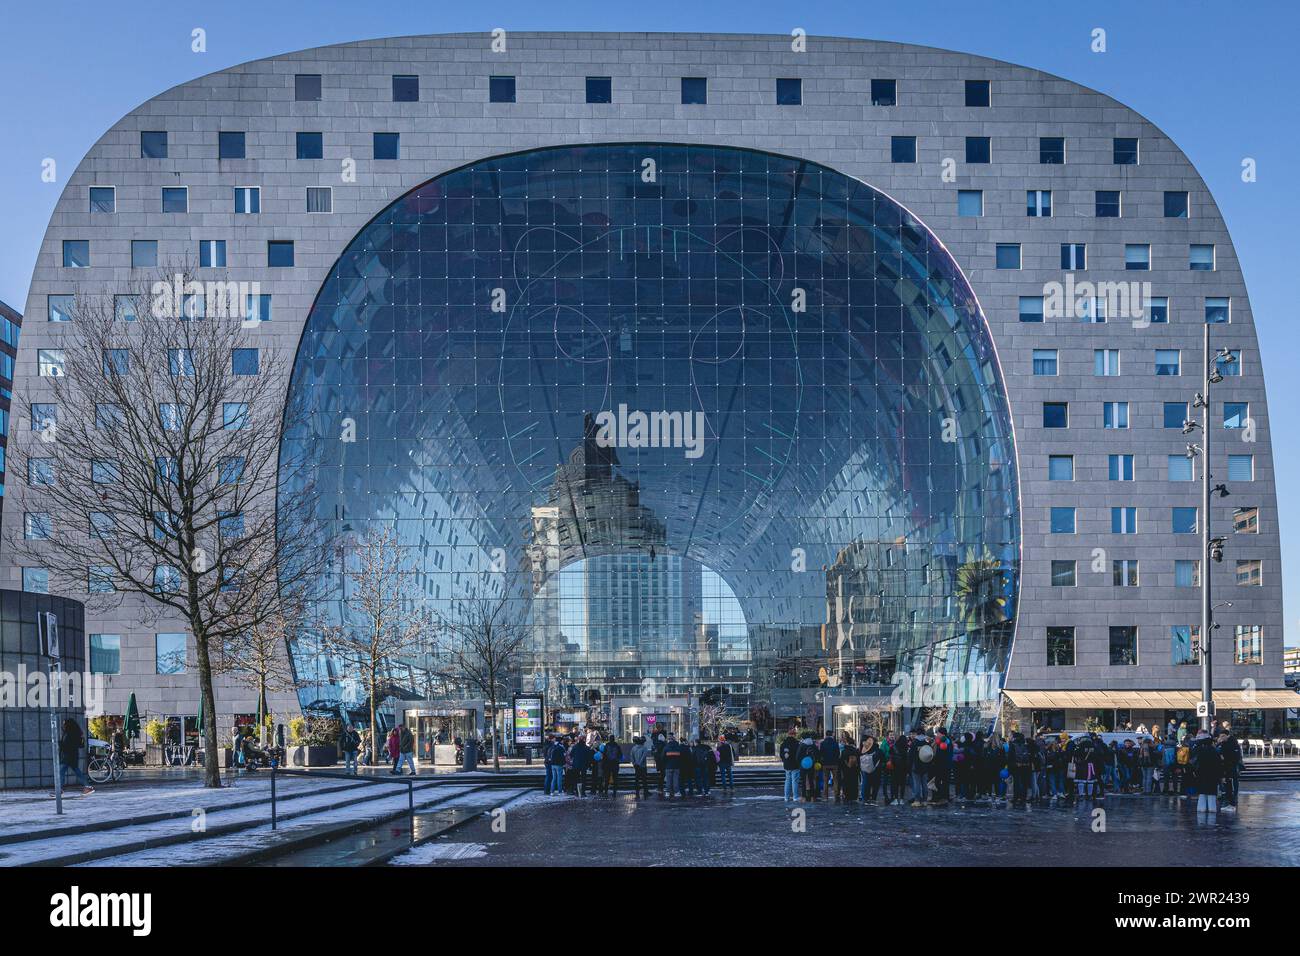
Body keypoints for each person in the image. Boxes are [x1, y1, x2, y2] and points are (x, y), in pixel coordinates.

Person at [57, 718, 94, 795]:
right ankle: (88, 786)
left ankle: (59, 790)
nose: (63, 725)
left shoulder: (70, 734)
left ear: (68, 725)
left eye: (64, 724)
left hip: (68, 756)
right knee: (76, 772)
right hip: (71, 756)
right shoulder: (70, 733)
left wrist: (60, 744)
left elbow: (69, 746)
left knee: (62, 772)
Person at [1189, 730, 1222, 814]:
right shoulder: (1214, 751)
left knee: (1202, 793)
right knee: (1211, 794)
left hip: (1201, 774)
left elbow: (1194, 763)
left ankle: (1201, 809)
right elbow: (1219, 764)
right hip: (1212, 775)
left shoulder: (1198, 750)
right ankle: (1212, 809)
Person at [1218, 729, 1242, 810]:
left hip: (1230, 767)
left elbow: (1234, 756)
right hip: (1226, 767)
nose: (1221, 738)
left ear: (1227, 736)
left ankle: (1231, 803)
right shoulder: (1224, 743)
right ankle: (1230, 802)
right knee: (1227, 785)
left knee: (1229, 785)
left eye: (1223, 736)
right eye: (1220, 736)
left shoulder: (1231, 743)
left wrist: (1224, 758)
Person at [796, 732, 820, 802]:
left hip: (803, 765)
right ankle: (813, 797)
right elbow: (817, 754)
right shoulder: (813, 745)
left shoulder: (802, 745)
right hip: (811, 765)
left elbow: (797, 756)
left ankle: (804, 797)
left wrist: (800, 763)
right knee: (811, 781)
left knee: (803, 781)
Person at [859, 735, 883, 804]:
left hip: (864, 769)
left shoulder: (862, 749)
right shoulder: (877, 749)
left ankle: (865, 798)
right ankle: (873, 797)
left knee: (866, 783)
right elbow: (882, 758)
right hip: (876, 769)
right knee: (875, 784)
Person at [837, 732, 860, 802]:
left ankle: (847, 795)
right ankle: (854, 795)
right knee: (854, 782)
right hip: (855, 770)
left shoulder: (844, 751)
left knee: (846, 782)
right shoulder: (856, 750)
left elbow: (841, 761)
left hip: (846, 770)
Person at [662, 733, 685, 798]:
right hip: (676, 766)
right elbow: (682, 757)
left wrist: (665, 764)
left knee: (668, 780)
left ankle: (668, 792)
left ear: (669, 740)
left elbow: (662, 757)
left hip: (668, 767)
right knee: (676, 780)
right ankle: (676, 792)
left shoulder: (666, 747)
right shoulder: (678, 747)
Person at [818, 730, 839, 801]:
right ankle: (836, 796)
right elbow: (838, 753)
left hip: (825, 764)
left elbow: (821, 753)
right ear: (831, 735)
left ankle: (825, 797)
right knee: (835, 780)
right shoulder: (835, 743)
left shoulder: (823, 743)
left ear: (826, 735)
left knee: (825, 781)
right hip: (834, 764)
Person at [779, 730, 800, 802]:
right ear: (794, 735)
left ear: (788, 735)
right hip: (795, 765)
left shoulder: (783, 744)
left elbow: (781, 755)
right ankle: (795, 797)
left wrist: (785, 760)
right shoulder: (797, 743)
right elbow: (798, 754)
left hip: (787, 765)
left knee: (787, 780)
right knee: (795, 781)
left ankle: (786, 797)